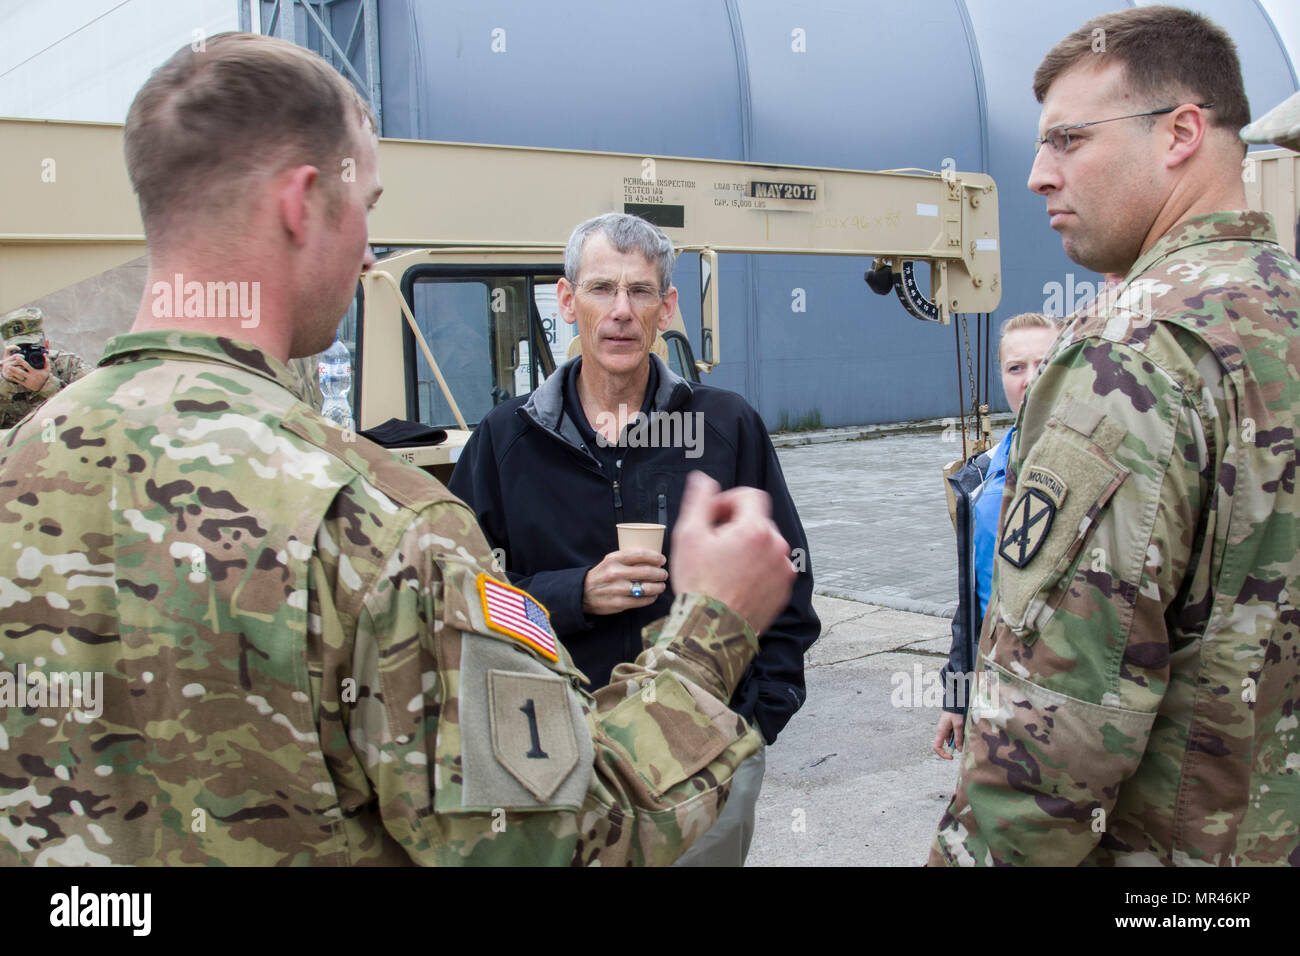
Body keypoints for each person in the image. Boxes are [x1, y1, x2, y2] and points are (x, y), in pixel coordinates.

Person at [0, 33, 799, 867]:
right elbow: (557, 842)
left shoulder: (21, 463)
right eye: (367, 205)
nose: (370, 251)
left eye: (640, 290)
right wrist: (712, 628)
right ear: (300, 202)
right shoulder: (378, 527)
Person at [930, 5, 1300, 866]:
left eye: (1068, 140)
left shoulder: (1132, 354)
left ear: (1179, 133)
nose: (1034, 176)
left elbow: (1051, 733)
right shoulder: (1280, 304)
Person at [449, 212, 820, 864]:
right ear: (567, 302)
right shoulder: (503, 442)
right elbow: (458, 603)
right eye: (600, 289)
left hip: (704, 759)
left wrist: (756, 721)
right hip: (557, 762)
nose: (620, 311)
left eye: (640, 291)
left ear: (667, 307)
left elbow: (786, 570)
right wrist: (576, 594)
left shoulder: (725, 425)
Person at [932, 313, 1058, 760]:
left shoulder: (1100, 468)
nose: (1029, 380)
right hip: (993, 684)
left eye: (1045, 363)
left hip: (1065, 698)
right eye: (1015, 368)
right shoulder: (981, 478)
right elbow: (973, 598)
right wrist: (958, 692)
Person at [0, 306, 91, 428]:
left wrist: (46, 386)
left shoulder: (69, 365)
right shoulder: (2, 375)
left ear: (46, 346)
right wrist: (3, 385)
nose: (26, 358)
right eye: (18, 352)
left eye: (33, 349)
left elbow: (98, 408)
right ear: (5, 354)